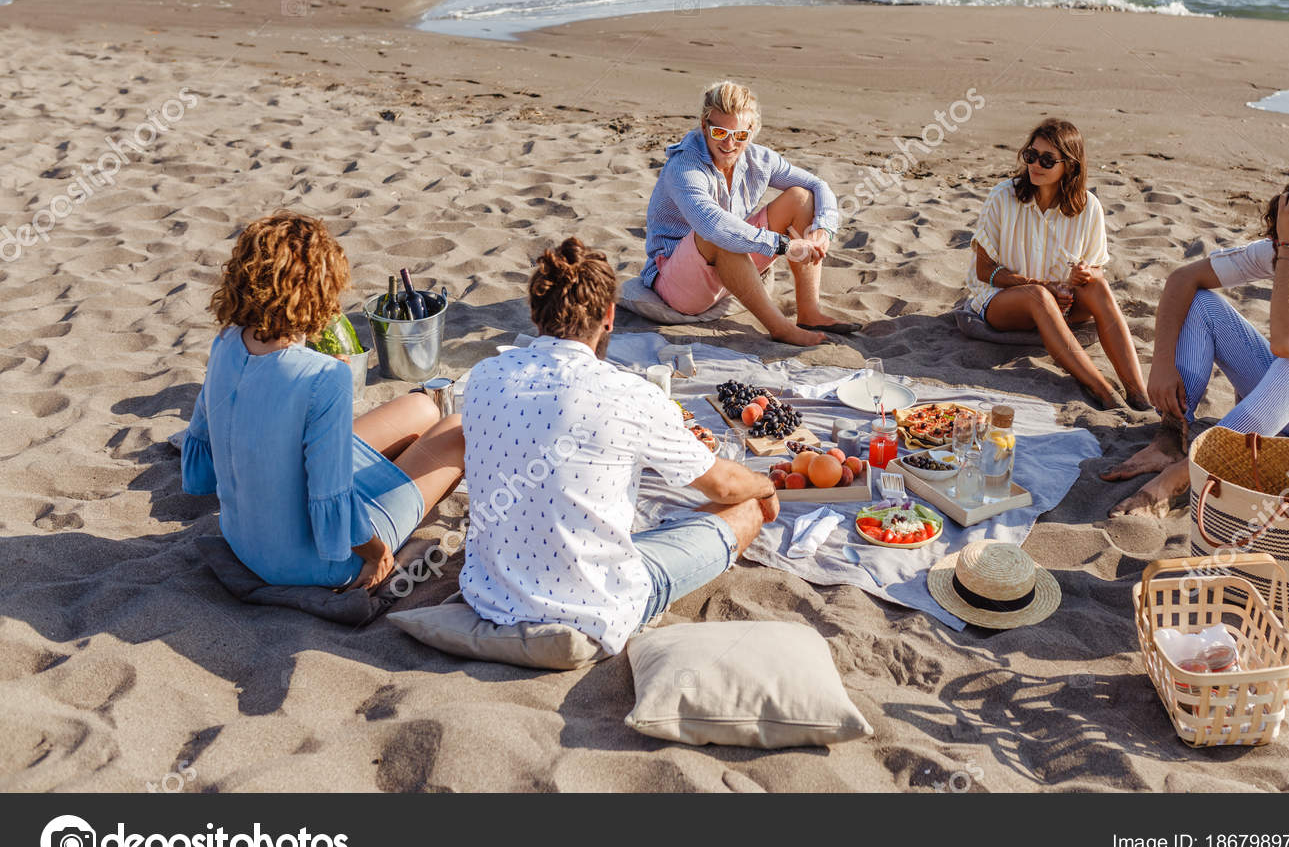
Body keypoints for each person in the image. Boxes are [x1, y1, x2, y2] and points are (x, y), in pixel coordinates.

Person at [458, 237, 781, 657]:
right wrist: (764, 485)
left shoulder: (484, 375)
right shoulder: (629, 394)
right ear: (610, 316)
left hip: (488, 593)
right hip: (596, 607)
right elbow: (724, 488)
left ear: (536, 315)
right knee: (745, 509)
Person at [181, 211, 465, 589]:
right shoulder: (324, 377)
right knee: (458, 429)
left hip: (241, 537)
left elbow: (209, 441)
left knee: (423, 407)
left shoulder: (227, 341)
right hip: (314, 558)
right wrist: (378, 553)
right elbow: (329, 495)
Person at [1102, 175, 1289, 516]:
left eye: (1283, 241)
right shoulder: (1288, 251)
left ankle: (1184, 475)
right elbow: (1183, 280)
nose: (1274, 246)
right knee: (1204, 305)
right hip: (1285, 400)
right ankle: (1171, 437)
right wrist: (1162, 364)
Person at [642, 80, 857, 346]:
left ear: (751, 131)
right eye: (720, 133)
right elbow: (713, 226)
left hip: (730, 266)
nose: (730, 144)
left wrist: (824, 229)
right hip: (676, 282)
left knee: (801, 197)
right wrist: (783, 245)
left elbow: (818, 185)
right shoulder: (684, 167)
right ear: (704, 126)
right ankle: (780, 328)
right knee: (723, 232)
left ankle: (809, 312)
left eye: (740, 135)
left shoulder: (759, 159)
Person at [964, 117, 1149, 410]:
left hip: (1065, 304)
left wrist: (1085, 273)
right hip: (1004, 302)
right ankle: (1104, 393)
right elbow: (984, 271)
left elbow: (1097, 265)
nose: (1035, 165)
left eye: (1047, 160)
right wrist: (1042, 286)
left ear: (1070, 165)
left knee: (1099, 286)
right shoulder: (1002, 197)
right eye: (1031, 156)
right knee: (1038, 296)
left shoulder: (1089, 208)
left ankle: (1139, 395)